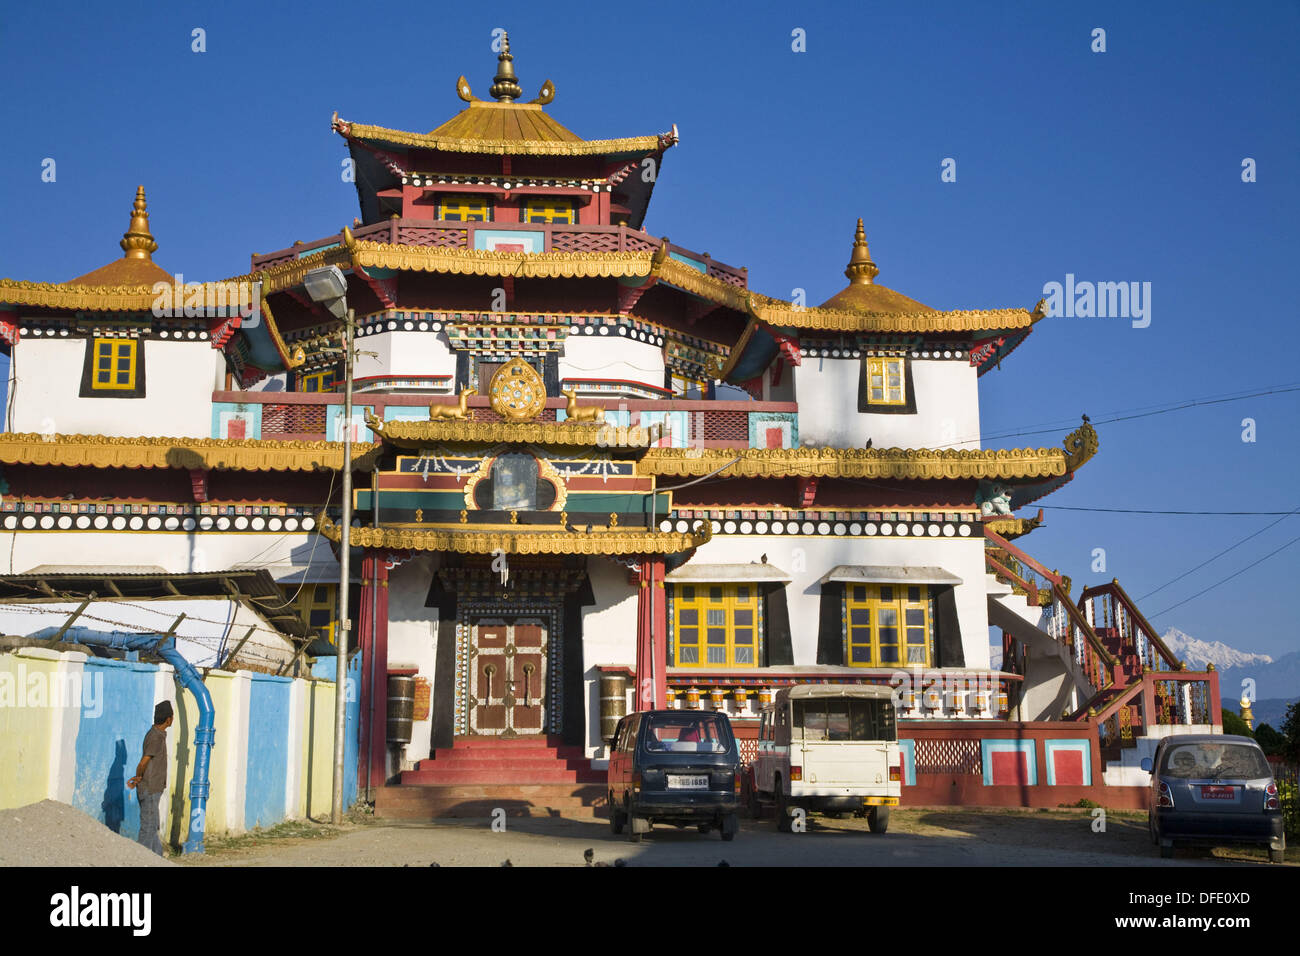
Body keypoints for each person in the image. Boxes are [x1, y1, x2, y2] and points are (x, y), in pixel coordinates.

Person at [127, 700, 173, 856]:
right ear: (168, 719)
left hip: (155, 789)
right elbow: (143, 762)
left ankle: (156, 859)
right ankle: (140, 859)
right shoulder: (155, 737)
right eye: (172, 717)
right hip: (150, 789)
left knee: (153, 827)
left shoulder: (158, 735)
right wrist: (138, 776)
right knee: (148, 828)